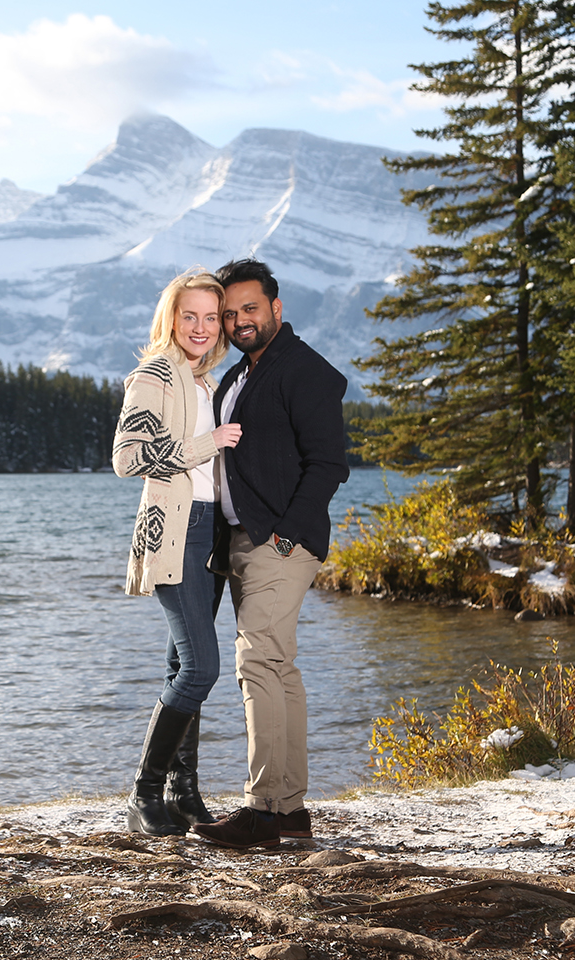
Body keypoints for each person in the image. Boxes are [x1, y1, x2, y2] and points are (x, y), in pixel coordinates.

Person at [192, 258, 349, 850]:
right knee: (279, 669)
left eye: (248, 309)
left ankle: (262, 810)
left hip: (280, 544)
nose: (238, 321)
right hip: (242, 542)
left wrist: (284, 534)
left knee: (256, 662)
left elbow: (329, 464)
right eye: (229, 313)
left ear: (276, 309)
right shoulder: (240, 375)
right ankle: (290, 813)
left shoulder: (306, 371)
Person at [113, 269, 243, 836]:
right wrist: (205, 444)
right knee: (200, 667)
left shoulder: (207, 383)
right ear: (171, 318)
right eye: (189, 315)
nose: (200, 326)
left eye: (210, 317)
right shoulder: (155, 376)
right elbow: (127, 456)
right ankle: (145, 790)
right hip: (176, 532)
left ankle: (185, 794)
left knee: (179, 663)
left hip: (212, 531)